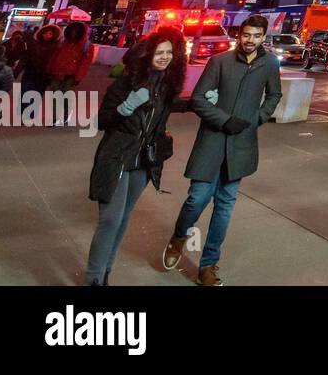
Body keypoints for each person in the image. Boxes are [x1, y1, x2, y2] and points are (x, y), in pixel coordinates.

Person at [161, 15, 281, 286]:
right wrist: (224, 120)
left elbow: (274, 94)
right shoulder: (220, 61)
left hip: (241, 144)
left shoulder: (269, 63)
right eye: (246, 35)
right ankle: (179, 236)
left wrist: (259, 117)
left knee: (225, 206)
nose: (250, 41)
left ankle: (208, 266)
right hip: (213, 140)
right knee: (197, 198)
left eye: (256, 36)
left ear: (264, 37)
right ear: (239, 35)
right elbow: (199, 98)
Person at [84, 29, 188, 286]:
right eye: (158, 52)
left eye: (168, 53)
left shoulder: (166, 88)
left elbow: (175, 107)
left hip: (143, 163)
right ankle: (94, 280)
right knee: (110, 220)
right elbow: (100, 121)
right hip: (117, 158)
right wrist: (126, 107)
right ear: (148, 55)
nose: (163, 57)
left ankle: (106, 273)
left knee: (124, 218)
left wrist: (207, 101)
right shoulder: (125, 84)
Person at [22, 23, 60, 96]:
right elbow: (26, 57)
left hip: (44, 75)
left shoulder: (56, 47)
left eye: (50, 33)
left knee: (37, 95)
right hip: (30, 72)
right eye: (45, 33)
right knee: (25, 94)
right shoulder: (34, 43)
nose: (46, 35)